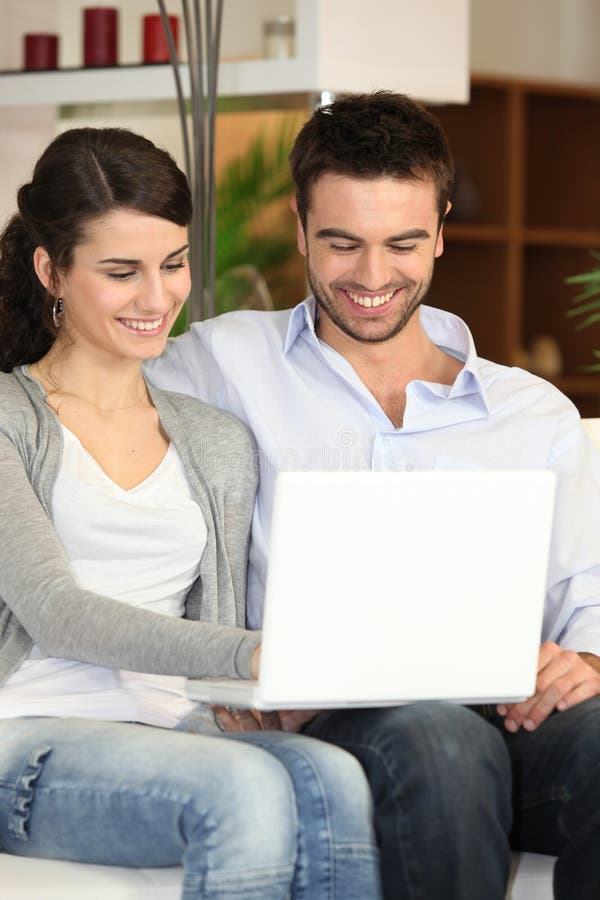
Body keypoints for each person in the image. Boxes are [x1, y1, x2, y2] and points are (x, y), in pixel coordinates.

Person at [147, 92, 600, 900]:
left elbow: (588, 596)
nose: (372, 277)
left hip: (509, 717)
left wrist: (586, 661)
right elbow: (71, 391)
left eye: (403, 244)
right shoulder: (221, 364)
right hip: (327, 719)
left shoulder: (535, 415)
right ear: (299, 227)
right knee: (437, 738)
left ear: (441, 229)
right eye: (342, 244)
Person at [0, 126, 383, 900]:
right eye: (121, 271)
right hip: (26, 742)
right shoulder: (10, 419)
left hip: (175, 729)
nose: (158, 297)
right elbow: (56, 611)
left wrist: (242, 688)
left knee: (337, 778)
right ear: (52, 270)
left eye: (172, 264)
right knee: (241, 793)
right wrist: (249, 654)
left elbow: (215, 613)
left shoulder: (214, 441)